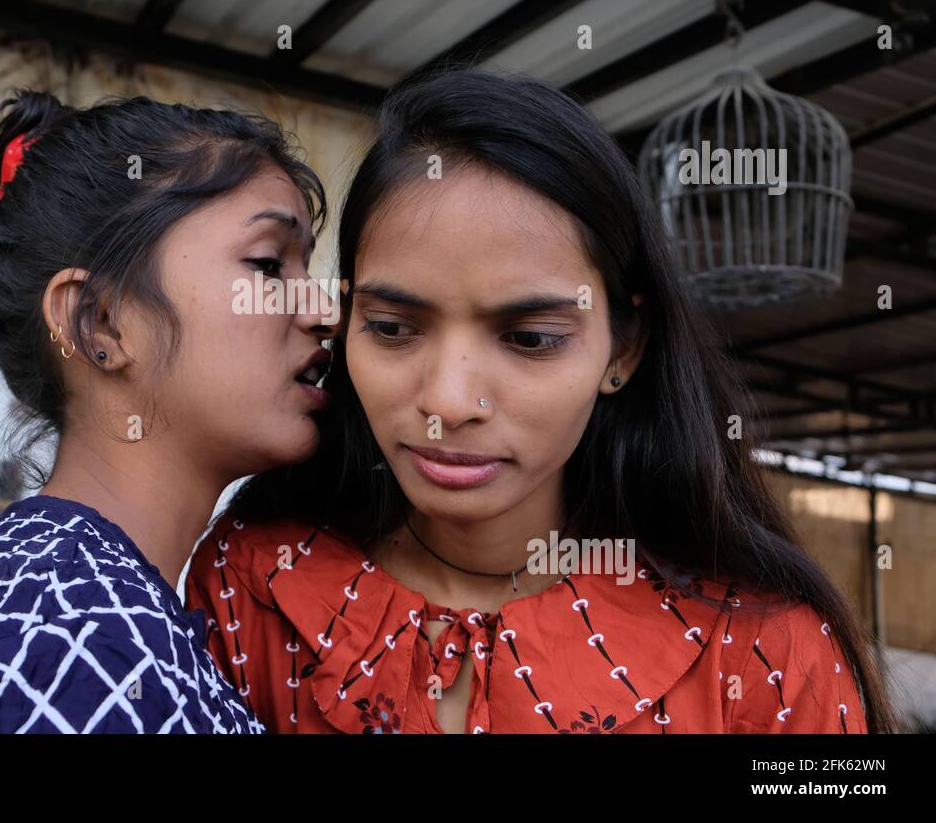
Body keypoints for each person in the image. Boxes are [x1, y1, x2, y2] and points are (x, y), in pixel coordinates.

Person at [185, 68, 896, 734]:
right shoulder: (257, 588)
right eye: (394, 328)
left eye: (529, 338)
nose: (449, 400)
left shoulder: (768, 657)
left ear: (623, 347)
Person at [0, 89, 335, 733]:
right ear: (100, 322)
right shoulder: (62, 647)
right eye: (267, 265)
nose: (324, 312)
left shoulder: (61, 606)